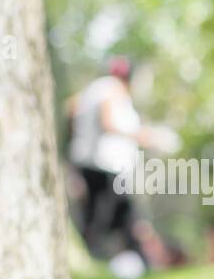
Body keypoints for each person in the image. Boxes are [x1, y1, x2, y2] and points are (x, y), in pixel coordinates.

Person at [66, 57, 167, 264]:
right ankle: (126, 260)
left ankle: (136, 260)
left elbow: (71, 110)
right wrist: (142, 136)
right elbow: (108, 122)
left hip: (93, 163)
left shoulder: (93, 89)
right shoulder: (111, 89)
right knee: (111, 218)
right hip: (105, 166)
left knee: (118, 217)